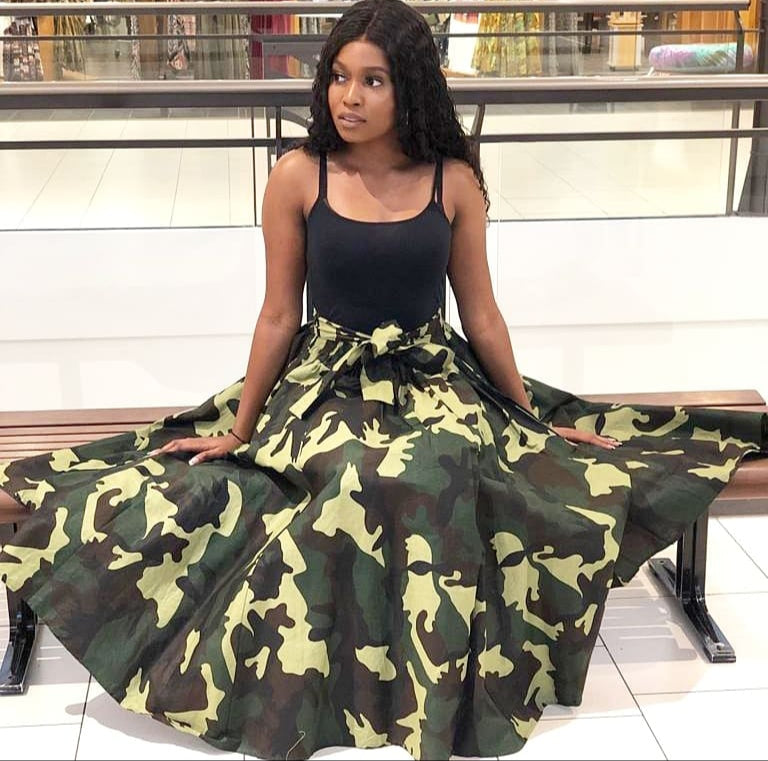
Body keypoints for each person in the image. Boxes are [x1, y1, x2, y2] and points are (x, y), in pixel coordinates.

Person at [0, 1, 765, 759]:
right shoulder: (298, 176)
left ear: (412, 87)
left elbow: (482, 315)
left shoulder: (453, 181)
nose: (349, 97)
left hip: (433, 375)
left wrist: (527, 417)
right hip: (326, 381)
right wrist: (240, 428)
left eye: (373, 80)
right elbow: (277, 314)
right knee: (342, 474)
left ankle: (424, 685)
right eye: (339, 77)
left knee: (444, 466)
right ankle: (332, 685)